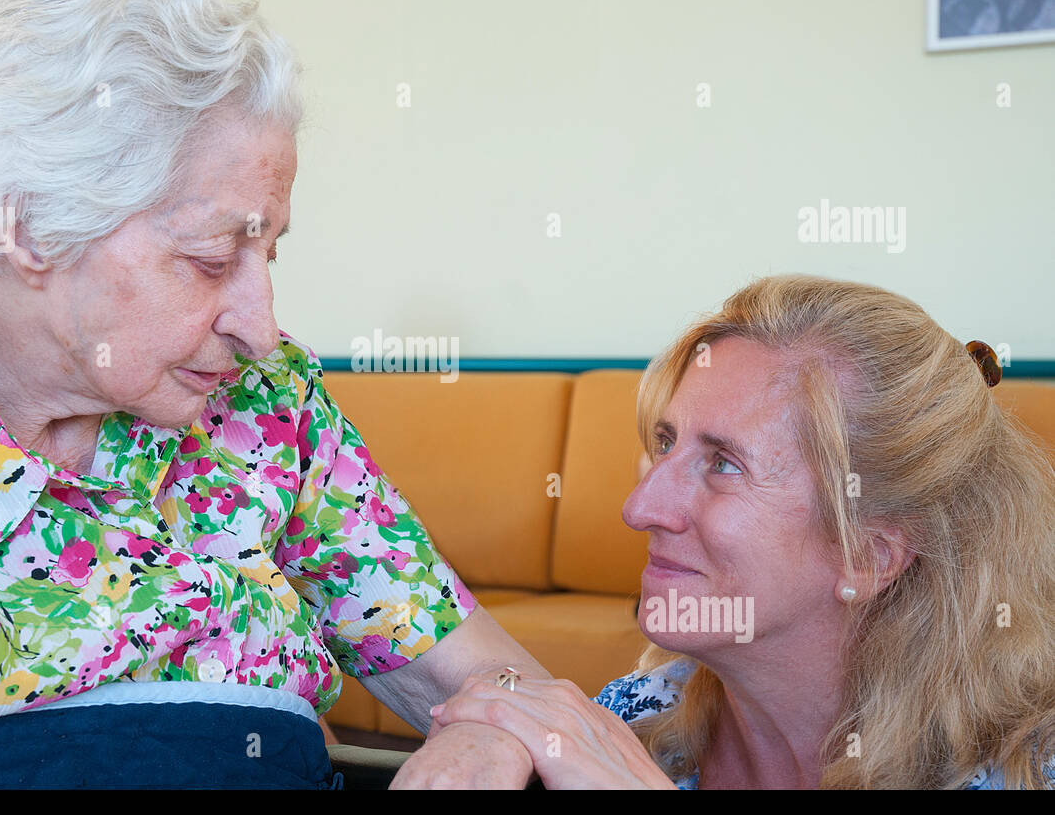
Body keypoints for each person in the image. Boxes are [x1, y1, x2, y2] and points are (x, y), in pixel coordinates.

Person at [0, 0, 548, 789]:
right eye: (211, 258)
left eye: (267, 251)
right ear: (29, 225)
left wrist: (497, 729)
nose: (262, 325)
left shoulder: (268, 403)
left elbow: (482, 674)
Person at [428, 275, 1055, 789]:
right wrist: (494, 725)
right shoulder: (639, 715)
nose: (640, 507)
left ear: (867, 554)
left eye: (725, 463)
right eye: (665, 444)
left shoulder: (1018, 772)